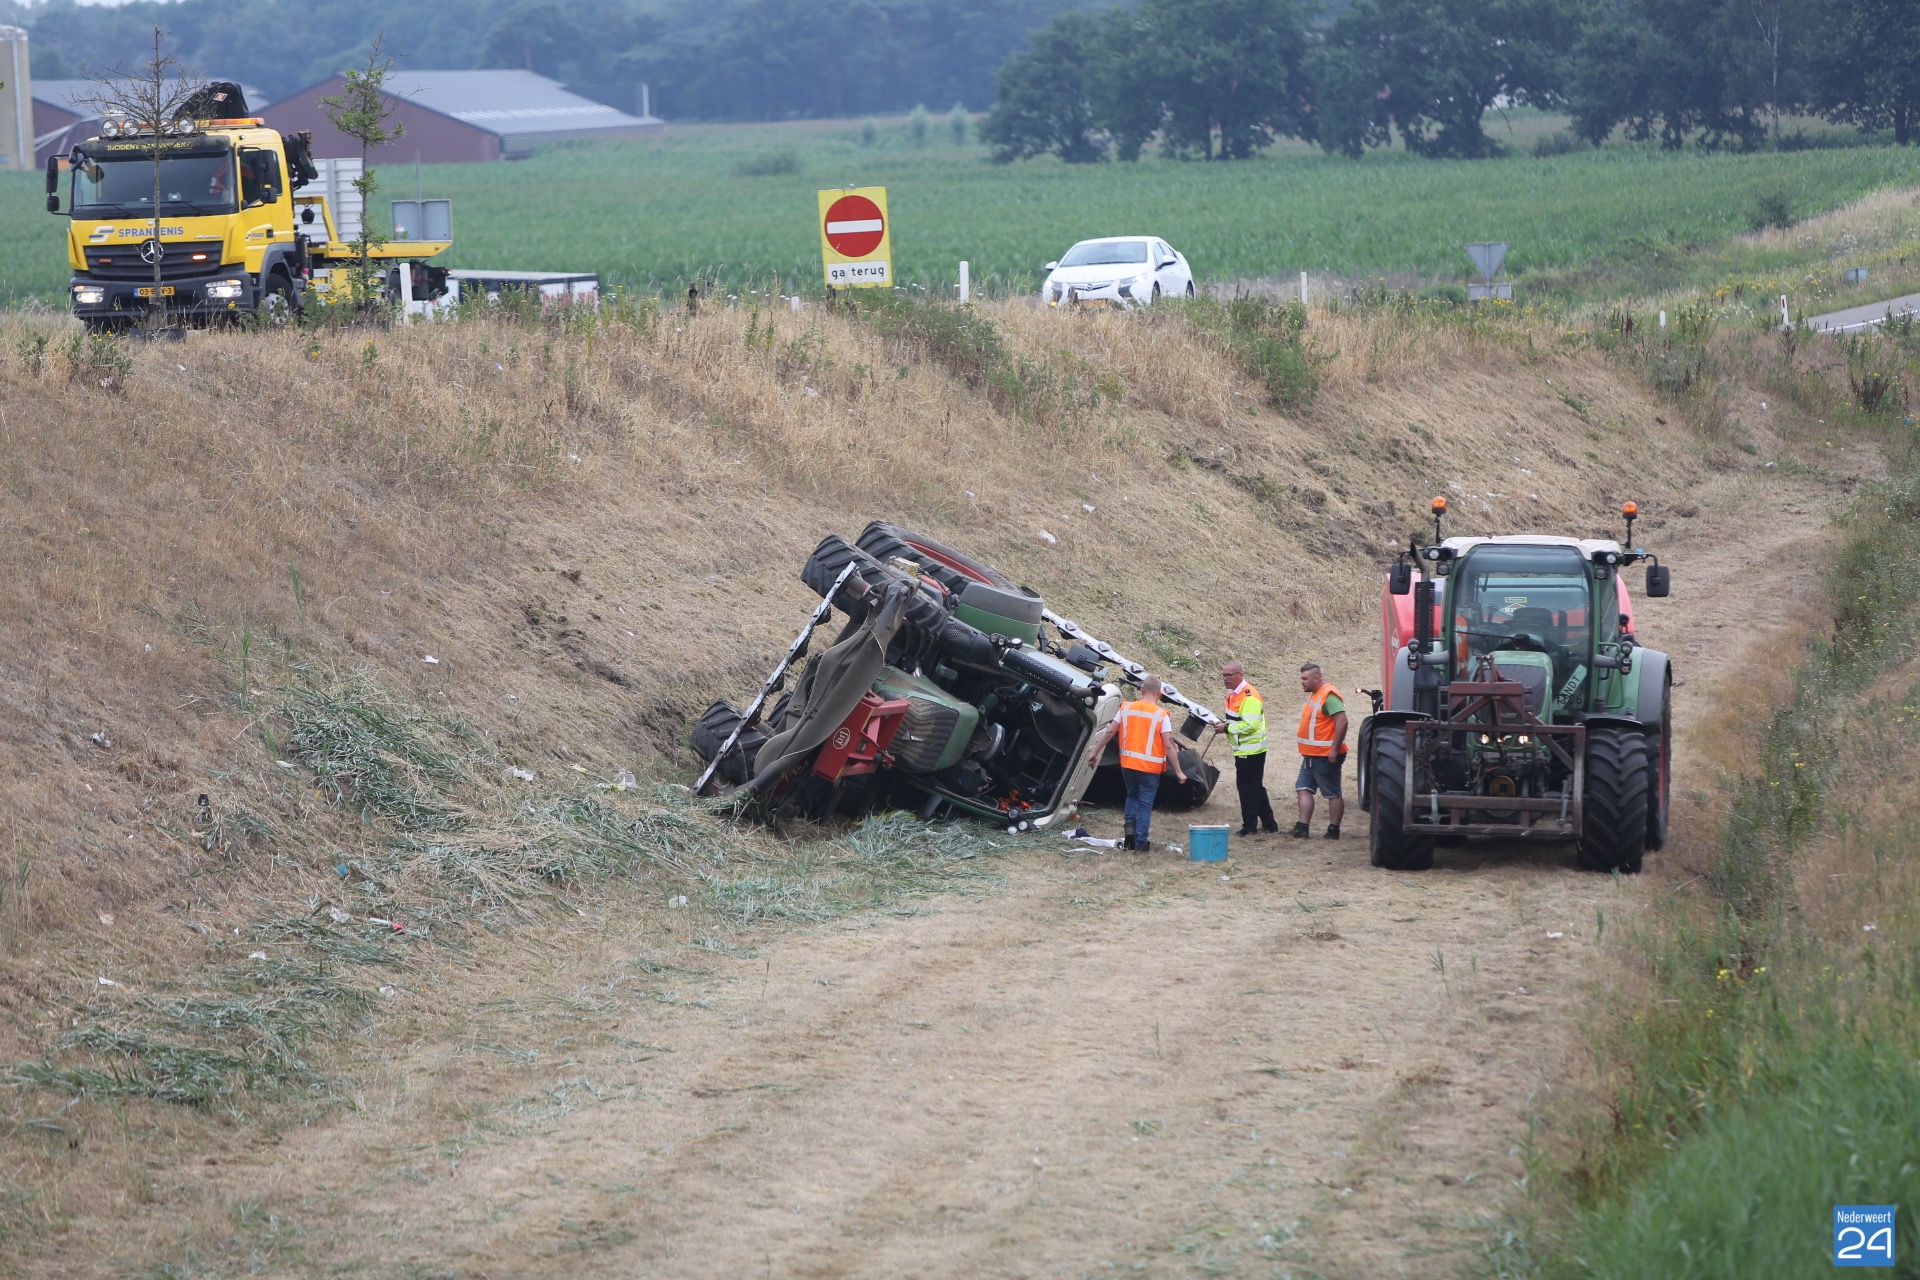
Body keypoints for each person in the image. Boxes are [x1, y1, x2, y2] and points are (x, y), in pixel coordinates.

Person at [1085, 675, 1188, 851]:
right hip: (1150, 769)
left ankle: (1130, 832)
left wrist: (1095, 752)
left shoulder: (1126, 708)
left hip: (1129, 765)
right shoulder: (1162, 715)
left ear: (1141, 691)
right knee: (1145, 805)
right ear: (1160, 694)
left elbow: (1110, 732)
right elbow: (1169, 745)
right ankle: (1141, 843)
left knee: (1132, 796)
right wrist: (1178, 771)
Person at [1210, 660, 1279, 837]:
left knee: (1247, 789)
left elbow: (1251, 725)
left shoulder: (1248, 697)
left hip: (1249, 751)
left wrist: (1226, 728)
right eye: (1223, 675)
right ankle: (1270, 824)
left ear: (1240, 675)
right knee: (1255, 787)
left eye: (1229, 675)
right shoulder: (1235, 694)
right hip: (1247, 750)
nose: (1225, 679)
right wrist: (1226, 725)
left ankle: (1249, 827)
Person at [1291, 662, 1347, 839]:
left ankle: (1333, 830)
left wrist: (1334, 750)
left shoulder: (1328, 695)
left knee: (1332, 793)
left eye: (1305, 678)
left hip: (1325, 756)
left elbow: (1343, 721)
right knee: (1303, 788)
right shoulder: (1316, 695)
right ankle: (1302, 828)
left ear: (1316, 678)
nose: (1302, 682)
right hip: (1311, 755)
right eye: (1301, 678)